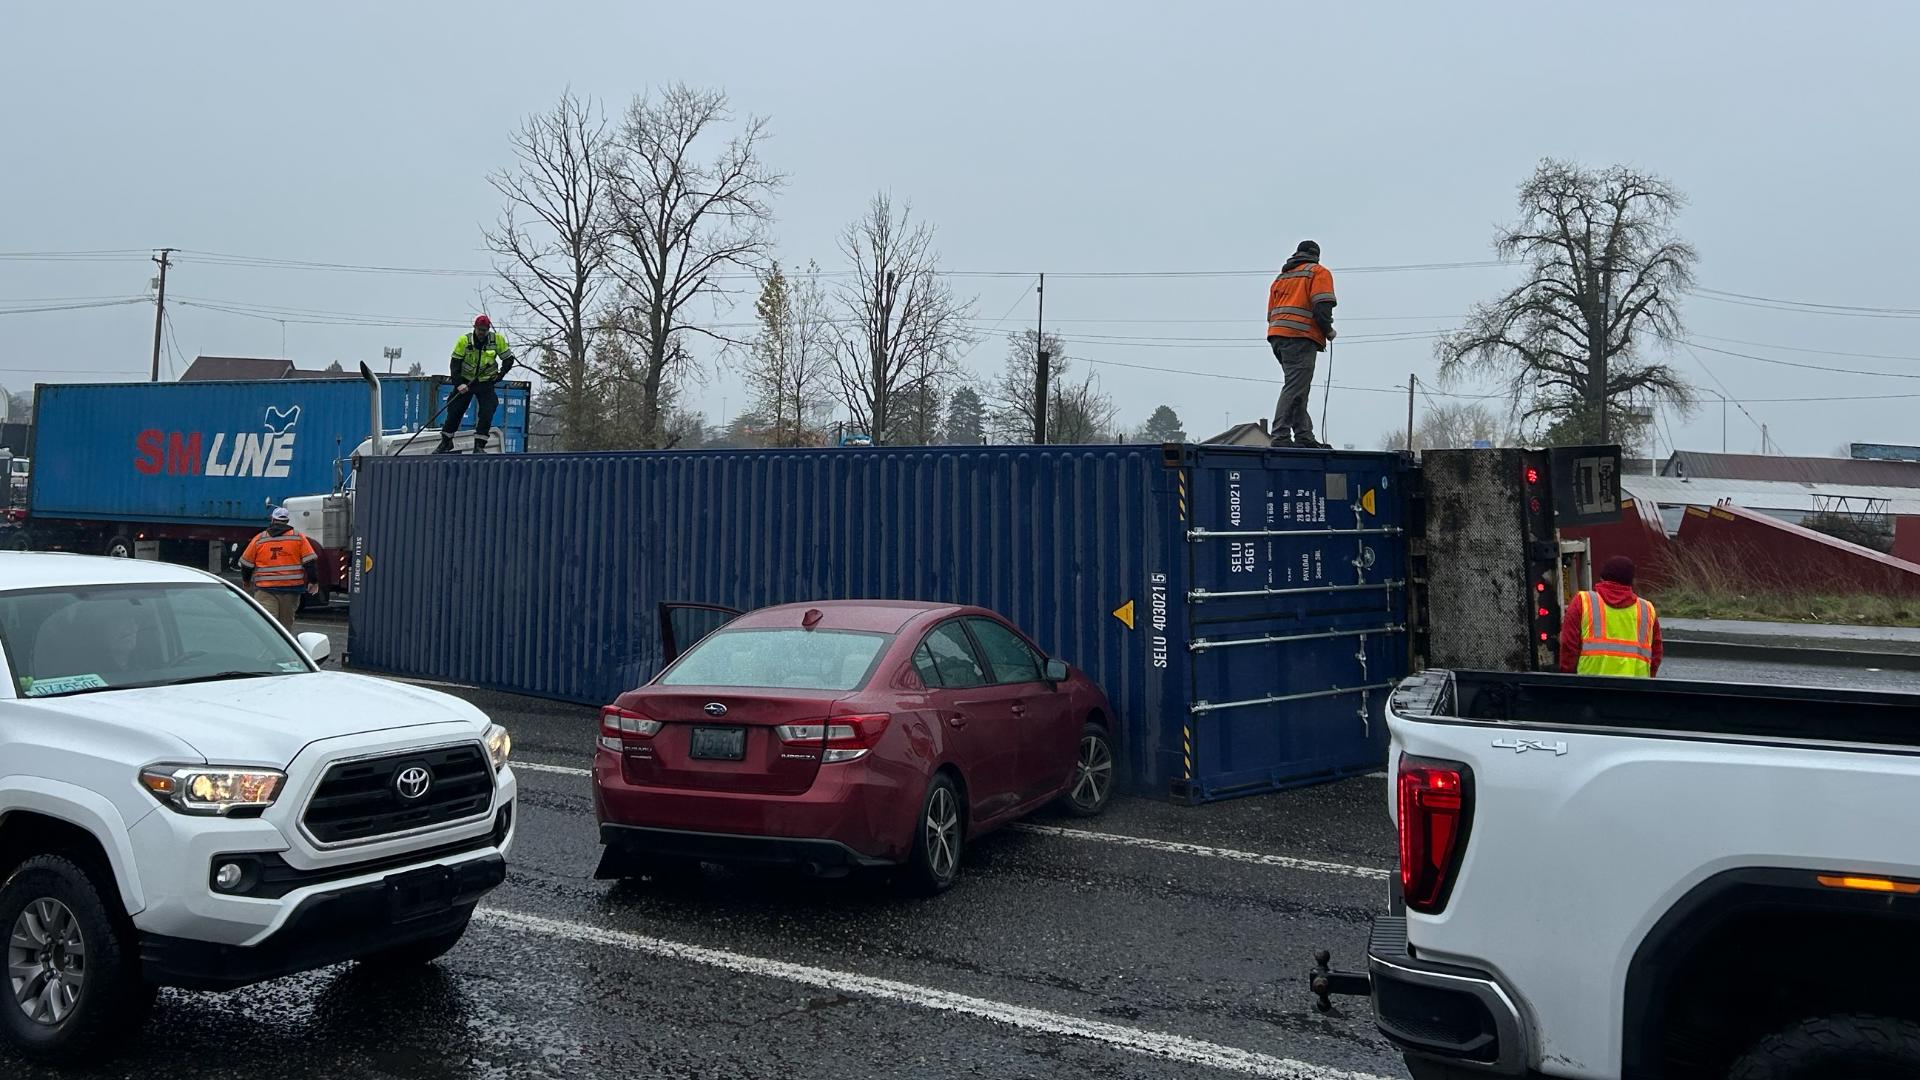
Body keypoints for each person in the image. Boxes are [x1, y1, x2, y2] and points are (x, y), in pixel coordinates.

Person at [1265, 239, 1338, 449]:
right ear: (1316, 255)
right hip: (1300, 337)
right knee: (1295, 387)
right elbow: (1322, 308)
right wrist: (1328, 331)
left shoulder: (1282, 278)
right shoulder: (1318, 272)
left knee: (1298, 387)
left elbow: (1270, 314)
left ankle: (1304, 434)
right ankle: (1280, 435)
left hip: (1277, 337)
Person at [1559, 555, 1663, 677]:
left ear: (1602, 578)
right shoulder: (1647, 609)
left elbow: (1569, 646)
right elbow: (1656, 654)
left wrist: (1568, 680)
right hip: (1635, 690)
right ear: (1631, 582)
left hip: (1590, 689)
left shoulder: (1583, 601)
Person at [438, 314, 517, 454]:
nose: (482, 333)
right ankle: (446, 442)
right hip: (465, 381)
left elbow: (508, 359)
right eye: (479, 330)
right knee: (454, 410)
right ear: (475, 328)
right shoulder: (464, 341)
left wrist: (500, 375)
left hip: (485, 382)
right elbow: (455, 364)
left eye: (484, 330)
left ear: (488, 329)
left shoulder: (497, 340)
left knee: (488, 410)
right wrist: (459, 384)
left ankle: (479, 445)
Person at [239, 507, 319, 632]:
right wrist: (313, 581)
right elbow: (310, 562)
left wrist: (246, 581)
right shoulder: (298, 538)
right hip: (291, 590)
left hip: (265, 590)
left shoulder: (259, 539)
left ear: (272, 519)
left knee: (267, 625)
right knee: (285, 627)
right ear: (287, 520)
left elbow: (246, 564)